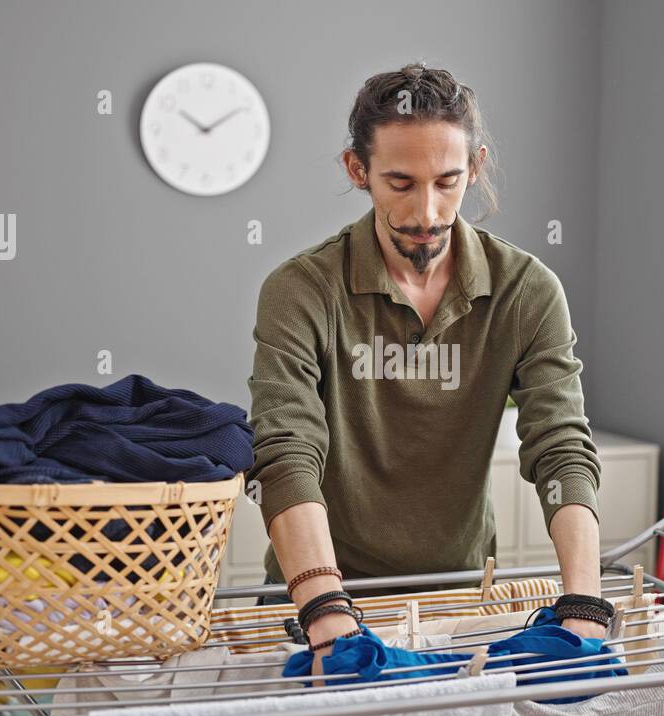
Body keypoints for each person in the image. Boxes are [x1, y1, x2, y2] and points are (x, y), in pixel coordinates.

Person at [246, 63, 610, 683]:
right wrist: (326, 609)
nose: (426, 211)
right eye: (400, 183)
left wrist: (584, 603)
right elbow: (285, 450)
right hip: (316, 599)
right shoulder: (301, 289)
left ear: (475, 166)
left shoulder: (528, 291)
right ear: (357, 171)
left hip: (460, 599)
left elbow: (561, 447)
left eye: (447, 181)